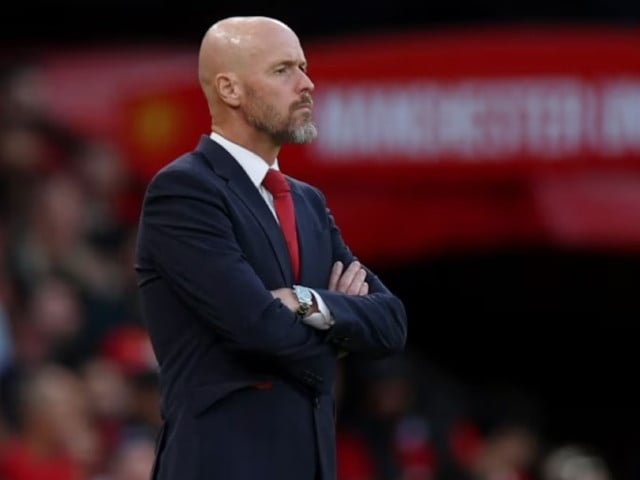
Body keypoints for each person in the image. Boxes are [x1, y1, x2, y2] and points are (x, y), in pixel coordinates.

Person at [134, 15, 407, 480]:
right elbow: (258, 328)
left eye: (303, 67)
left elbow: (391, 324)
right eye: (283, 70)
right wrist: (340, 328)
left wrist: (308, 301)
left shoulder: (306, 201)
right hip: (223, 464)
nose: (307, 83)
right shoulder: (184, 191)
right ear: (230, 89)